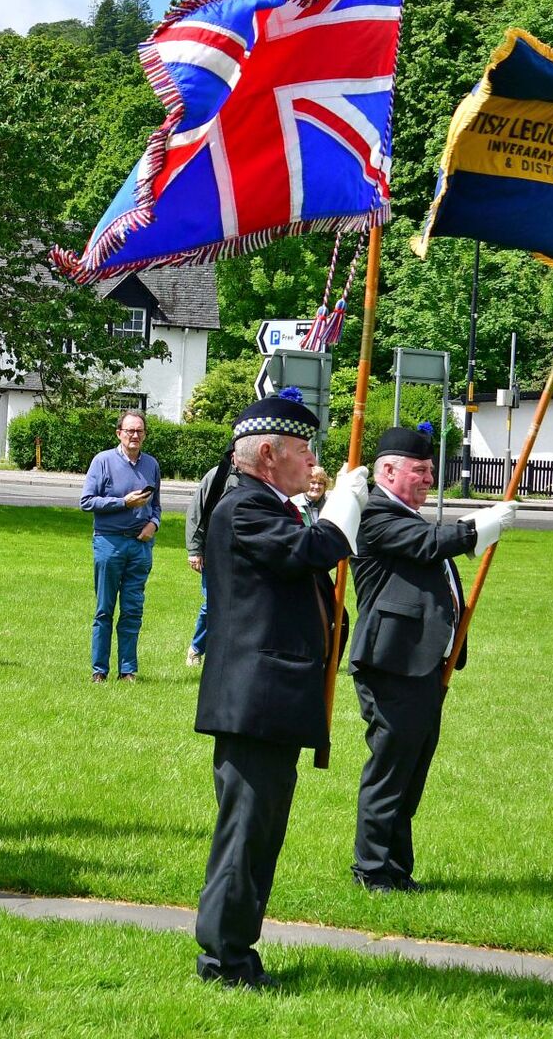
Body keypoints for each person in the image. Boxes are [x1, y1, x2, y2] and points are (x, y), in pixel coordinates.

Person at [194, 391, 368, 990]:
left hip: (269, 700)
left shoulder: (269, 504)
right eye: (302, 450)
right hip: (254, 702)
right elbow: (305, 554)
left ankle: (236, 950)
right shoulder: (245, 509)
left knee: (259, 834)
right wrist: (342, 507)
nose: (311, 461)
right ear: (268, 454)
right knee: (245, 837)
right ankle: (224, 959)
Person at [348, 427, 516, 893]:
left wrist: (476, 528)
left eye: (430, 472)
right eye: (419, 471)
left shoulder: (409, 515)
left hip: (420, 665)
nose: (428, 480)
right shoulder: (376, 514)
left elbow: (431, 542)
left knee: (411, 772)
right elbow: (428, 545)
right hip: (391, 664)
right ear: (387, 471)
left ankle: (396, 869)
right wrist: (481, 526)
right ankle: (372, 869)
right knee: (390, 770)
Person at [80, 410, 161, 683]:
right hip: (109, 543)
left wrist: (155, 524)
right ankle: (99, 671)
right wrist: (122, 503)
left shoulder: (151, 464)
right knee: (104, 609)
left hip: (139, 547)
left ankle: (128, 670)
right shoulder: (102, 461)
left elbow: (157, 506)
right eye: (130, 431)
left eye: (139, 431)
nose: (135, 435)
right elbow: (87, 502)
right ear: (119, 433)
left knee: (133, 610)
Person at [184, 462, 239, 668]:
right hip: (215, 552)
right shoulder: (217, 475)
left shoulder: (258, 476)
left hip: (245, 553)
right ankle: (196, 648)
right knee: (213, 603)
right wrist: (194, 550)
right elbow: (196, 513)